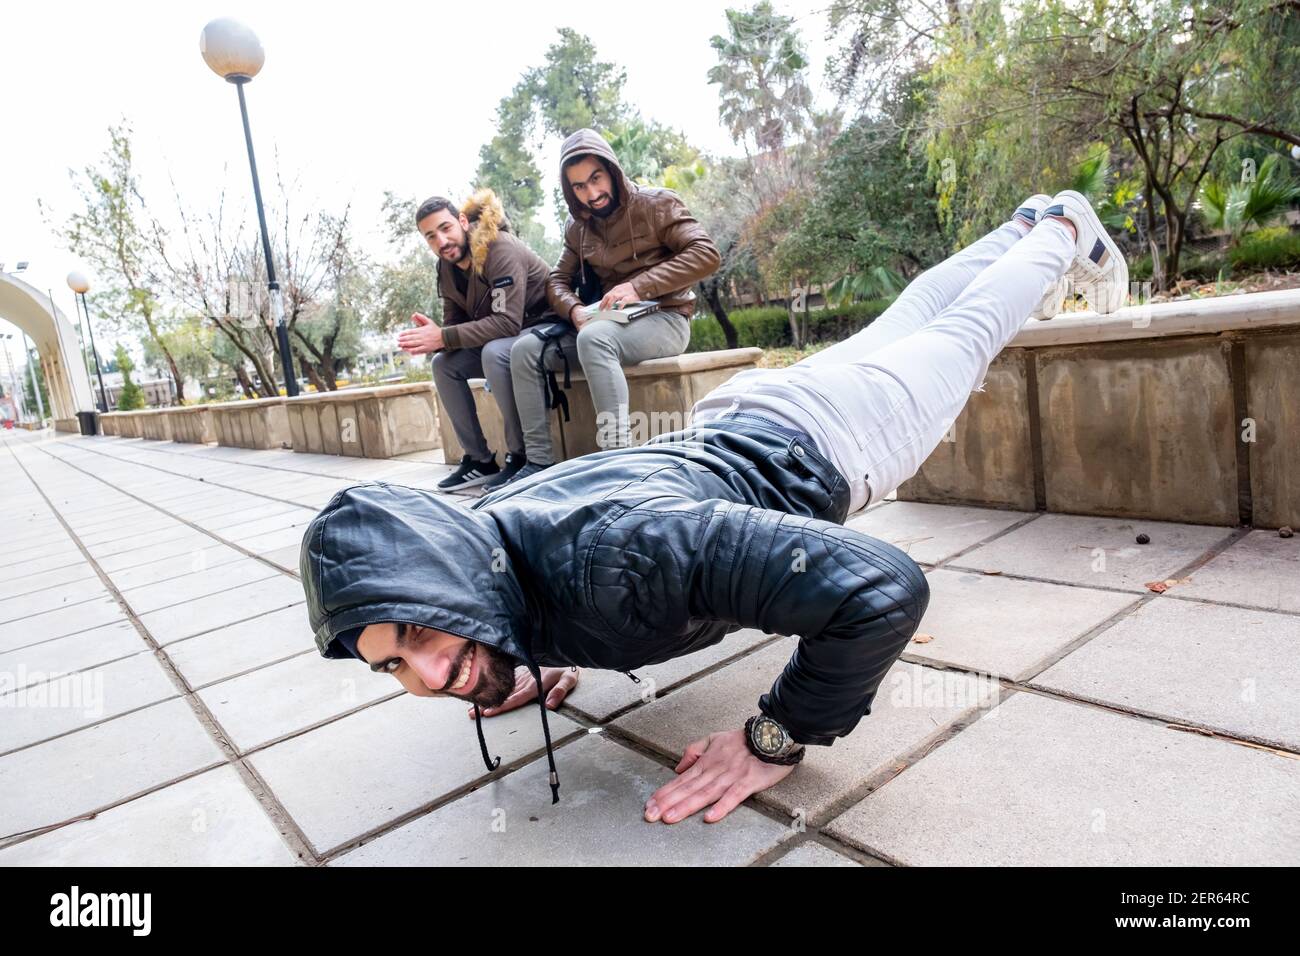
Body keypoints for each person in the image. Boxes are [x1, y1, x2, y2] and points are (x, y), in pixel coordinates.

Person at [301, 188, 1127, 825]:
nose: (432, 675)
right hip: (754, 414)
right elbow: (536, 564)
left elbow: (881, 592)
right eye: (395, 667)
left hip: (838, 435)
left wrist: (774, 735)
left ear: (444, 578)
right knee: (916, 318)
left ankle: (1063, 233)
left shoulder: (625, 558)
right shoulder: (490, 544)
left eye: (419, 635)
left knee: (969, 328)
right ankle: (1023, 226)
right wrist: (514, 637)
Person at [503, 128, 722, 486]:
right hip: (606, 324)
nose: (591, 194)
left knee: (594, 339)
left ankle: (620, 462)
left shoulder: (657, 204)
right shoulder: (578, 228)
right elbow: (556, 281)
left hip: (666, 318)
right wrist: (573, 309)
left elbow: (705, 254)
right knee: (525, 350)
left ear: (612, 170)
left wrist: (638, 286)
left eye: (596, 179)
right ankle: (539, 463)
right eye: (578, 187)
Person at [398, 189, 557, 491]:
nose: (441, 242)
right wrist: (439, 338)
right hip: (507, 337)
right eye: (430, 236)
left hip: (545, 330)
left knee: (494, 353)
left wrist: (443, 336)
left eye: (445, 229)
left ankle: (522, 457)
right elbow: (455, 326)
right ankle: (479, 459)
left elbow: (507, 323)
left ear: (462, 221)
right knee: (444, 363)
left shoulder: (498, 248)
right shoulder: (446, 267)